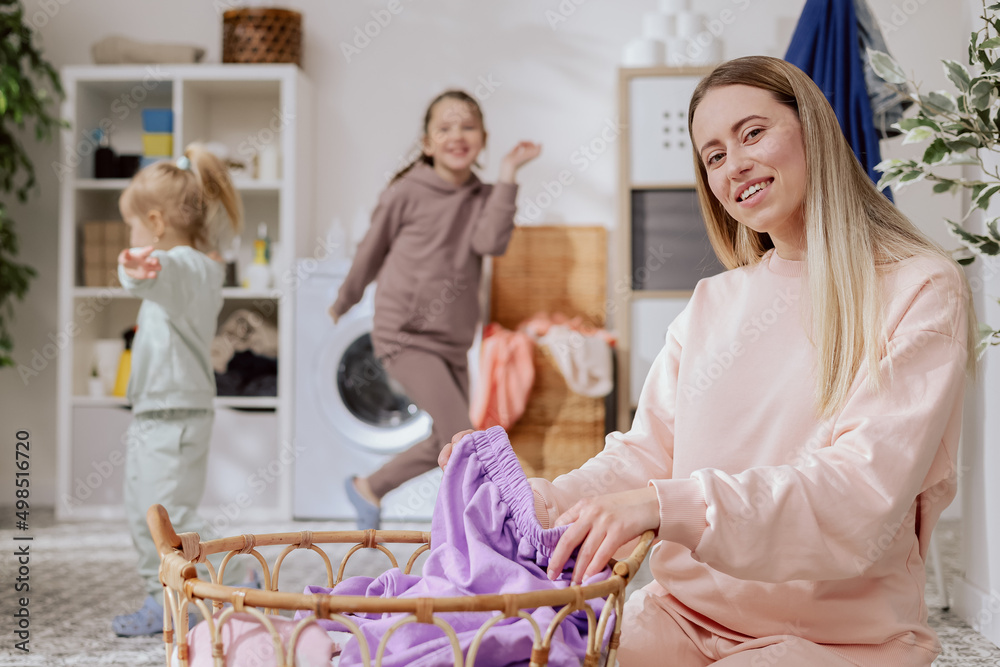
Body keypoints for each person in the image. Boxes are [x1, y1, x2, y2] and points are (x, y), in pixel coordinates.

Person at [441, 56, 978, 666]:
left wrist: (666, 505)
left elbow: (859, 494)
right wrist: (538, 500)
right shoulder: (710, 303)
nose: (735, 165)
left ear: (814, 129)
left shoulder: (920, 287)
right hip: (683, 618)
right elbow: (647, 454)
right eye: (714, 156)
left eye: (752, 133)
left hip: (836, 639)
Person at [330, 89, 541, 530]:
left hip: (453, 339)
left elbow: (490, 243)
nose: (456, 135)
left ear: (482, 139)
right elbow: (372, 249)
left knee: (446, 438)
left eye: (467, 127)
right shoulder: (406, 192)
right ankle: (489, 530)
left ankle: (369, 488)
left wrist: (508, 174)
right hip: (404, 334)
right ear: (427, 143)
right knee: (464, 438)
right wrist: (345, 299)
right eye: (444, 128)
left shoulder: (486, 195)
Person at [112, 144, 244, 636]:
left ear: (155, 221)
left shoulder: (186, 267)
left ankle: (218, 580)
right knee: (144, 514)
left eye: (132, 225)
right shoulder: (193, 266)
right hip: (159, 414)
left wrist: (134, 267)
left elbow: (158, 273)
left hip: (174, 416)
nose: (132, 235)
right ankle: (163, 595)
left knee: (171, 518)